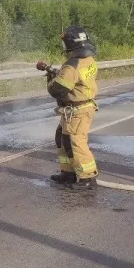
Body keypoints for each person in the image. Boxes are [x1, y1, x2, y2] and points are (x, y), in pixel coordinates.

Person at [47, 26, 99, 189]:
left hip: (77, 110)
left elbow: (57, 90)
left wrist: (51, 79)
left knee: (75, 142)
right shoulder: (88, 60)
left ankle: (87, 178)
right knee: (62, 139)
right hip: (79, 108)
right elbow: (74, 80)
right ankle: (68, 173)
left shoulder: (71, 65)